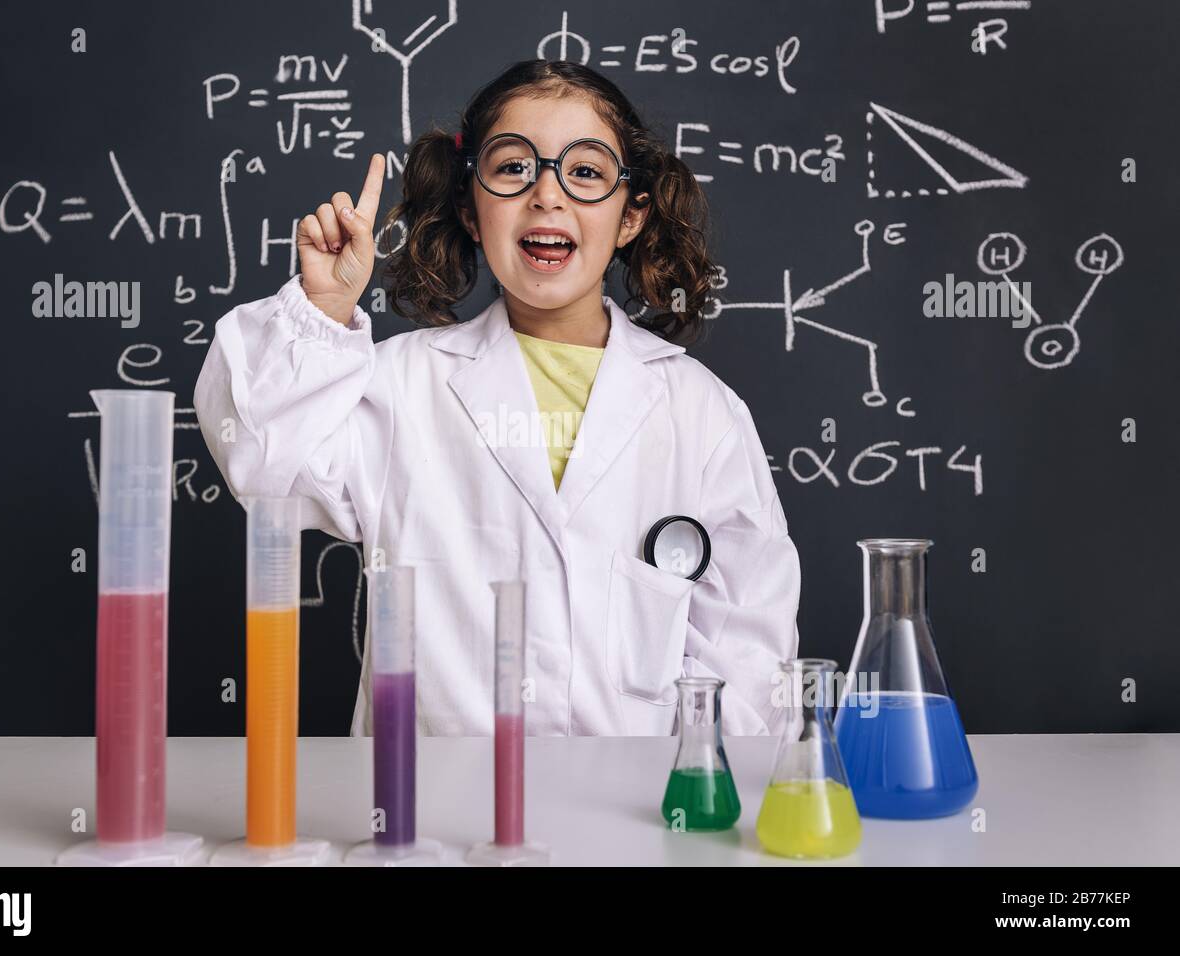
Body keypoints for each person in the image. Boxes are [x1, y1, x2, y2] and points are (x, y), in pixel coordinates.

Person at [194, 60, 800, 737]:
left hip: (633, 824)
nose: (547, 195)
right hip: (427, 817)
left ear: (631, 217)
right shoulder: (399, 387)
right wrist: (322, 311)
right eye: (513, 169)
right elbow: (263, 467)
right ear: (470, 212)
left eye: (587, 171)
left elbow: (750, 659)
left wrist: (696, 809)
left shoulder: (703, 416)